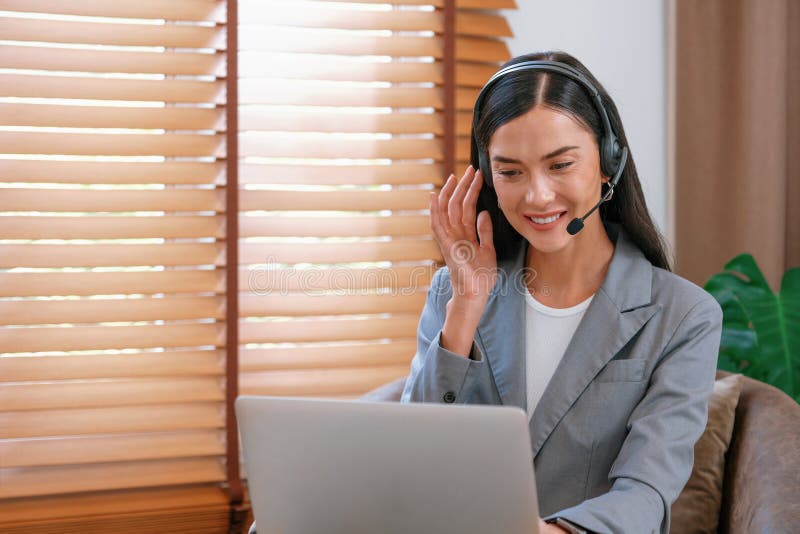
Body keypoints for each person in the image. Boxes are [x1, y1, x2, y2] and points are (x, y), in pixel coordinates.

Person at [400, 51, 723, 534]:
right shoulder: (455, 292)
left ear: (608, 162)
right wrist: (467, 305)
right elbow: (408, 455)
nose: (537, 196)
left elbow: (645, 493)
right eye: (510, 172)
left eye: (560, 165)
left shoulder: (682, 315)